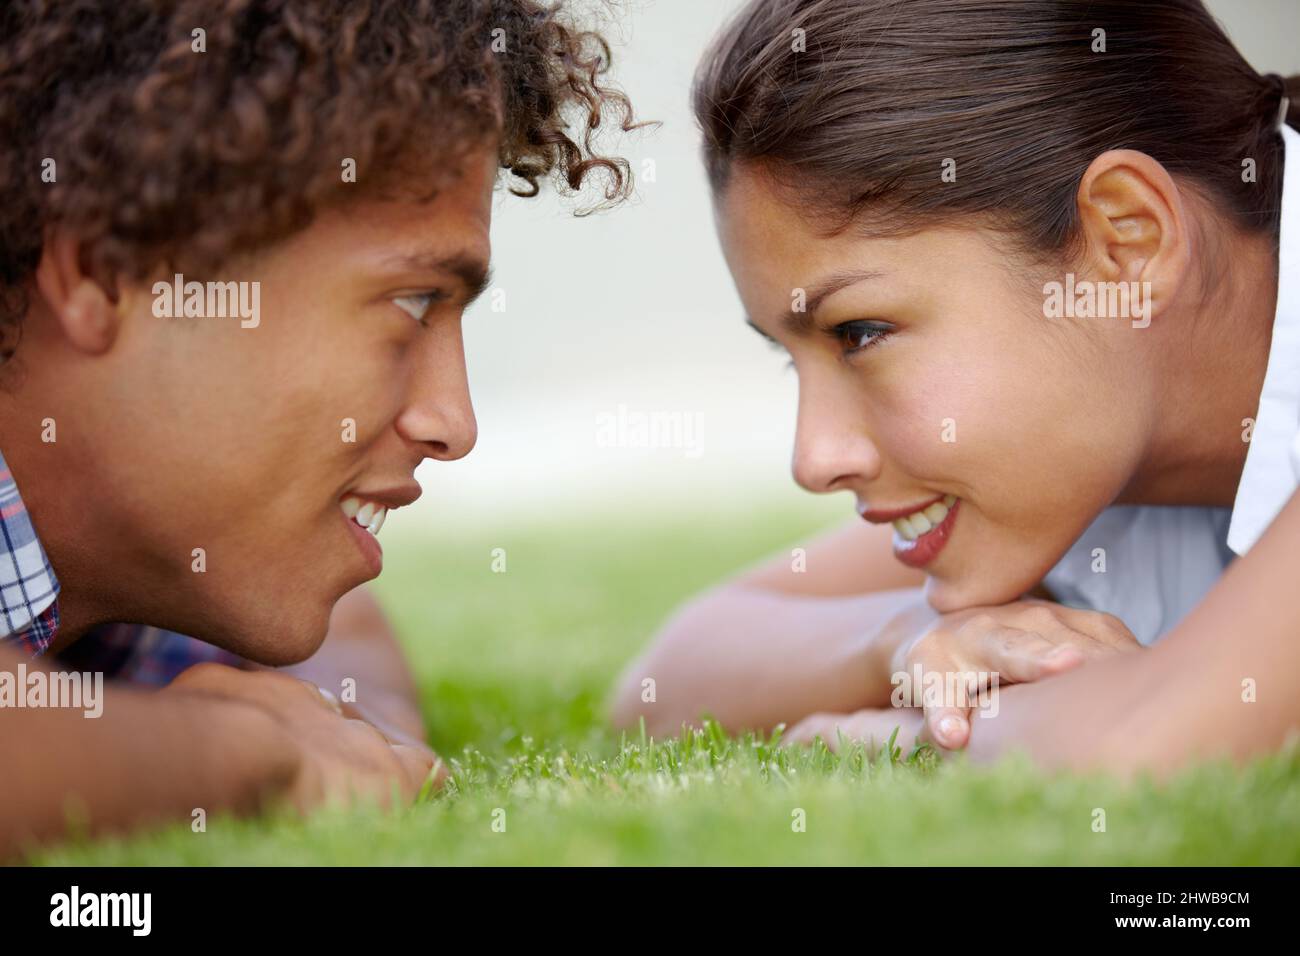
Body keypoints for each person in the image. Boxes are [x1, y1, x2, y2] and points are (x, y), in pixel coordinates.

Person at [0, 0, 636, 858]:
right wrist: (251, 759)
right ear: (107, 272)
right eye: (414, 302)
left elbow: (350, 632)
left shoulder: (149, 574)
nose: (454, 423)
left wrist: (345, 735)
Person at [613, 0, 1300, 774]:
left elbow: (1154, 744)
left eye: (859, 333)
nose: (815, 459)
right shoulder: (1087, 444)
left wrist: (886, 738)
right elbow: (659, 682)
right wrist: (908, 646)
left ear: (1126, 242)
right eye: (788, 356)